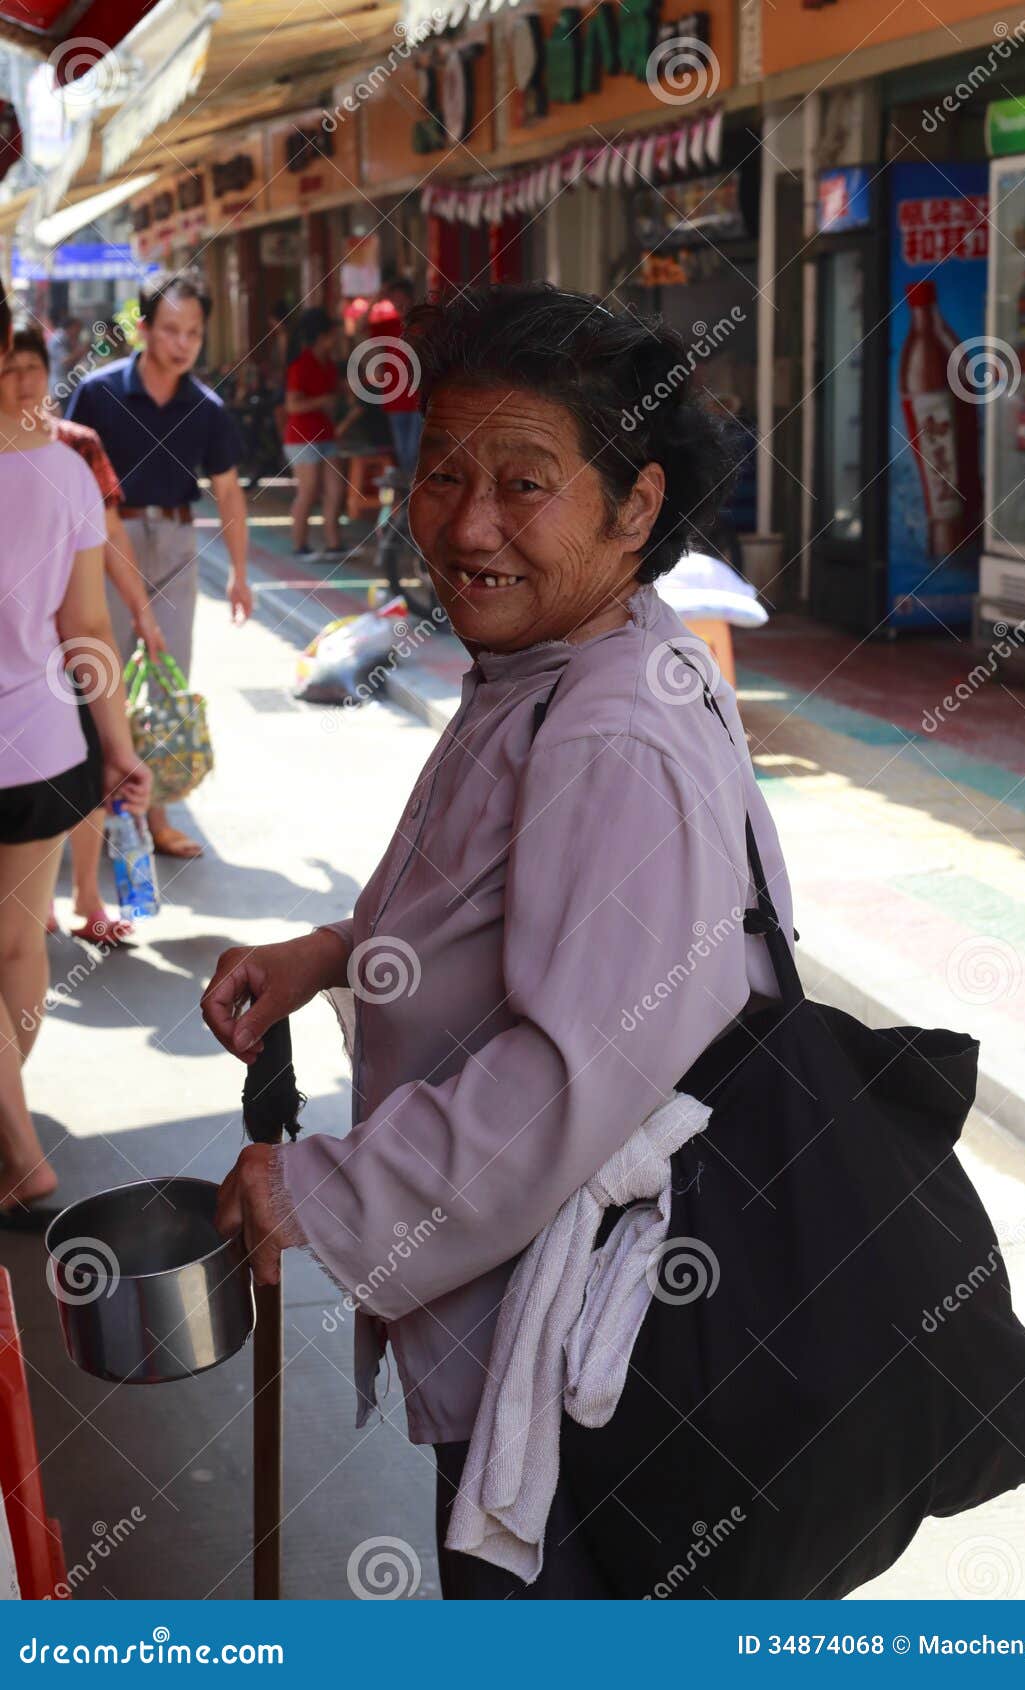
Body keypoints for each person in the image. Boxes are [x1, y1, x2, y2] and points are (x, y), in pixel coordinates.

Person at [201, 284, 796, 1597]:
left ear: (633, 506)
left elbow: (575, 1075)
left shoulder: (609, 730)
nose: (465, 526)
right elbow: (501, 905)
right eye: (441, 475)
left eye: (523, 484)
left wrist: (325, 1192)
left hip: (578, 1357)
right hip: (539, 1305)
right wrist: (333, 952)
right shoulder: (566, 658)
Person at [0, 279, 150, 1223]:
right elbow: (87, 628)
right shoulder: (64, 471)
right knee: (20, 941)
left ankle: (19, 1152)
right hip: (47, 746)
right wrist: (119, 747)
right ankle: (10, 1122)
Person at [66, 268, 252, 861]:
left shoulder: (208, 408)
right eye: (171, 329)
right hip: (102, 544)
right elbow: (68, 476)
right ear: (142, 328)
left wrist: (240, 573)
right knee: (100, 678)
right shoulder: (97, 393)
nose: (182, 343)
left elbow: (229, 492)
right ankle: (92, 818)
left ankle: (157, 816)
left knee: (167, 681)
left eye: (194, 333)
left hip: (174, 546)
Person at [1, 325, 165, 944]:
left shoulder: (75, 449)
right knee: (17, 948)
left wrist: (141, 611)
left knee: (90, 767)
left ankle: (86, 896)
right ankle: (39, 905)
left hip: (61, 678)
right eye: (8, 368)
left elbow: (110, 540)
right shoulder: (62, 464)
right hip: (40, 700)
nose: (21, 381)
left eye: (31, 368)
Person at [283, 306, 360, 559]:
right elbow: (292, 405)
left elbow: (335, 390)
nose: (335, 340)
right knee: (308, 492)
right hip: (301, 437)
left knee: (336, 490)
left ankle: (334, 544)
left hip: (326, 435)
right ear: (321, 336)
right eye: (332, 335)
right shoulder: (301, 365)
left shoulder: (328, 364)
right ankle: (299, 546)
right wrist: (323, 400)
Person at [360, 272, 422, 473]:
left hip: (419, 397)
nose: (397, 304)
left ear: (411, 299)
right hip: (395, 398)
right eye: (393, 300)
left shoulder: (424, 324)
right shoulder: (388, 325)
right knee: (403, 453)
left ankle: (413, 488)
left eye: (401, 299)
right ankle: (408, 490)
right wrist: (376, 298)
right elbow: (360, 326)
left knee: (415, 451)